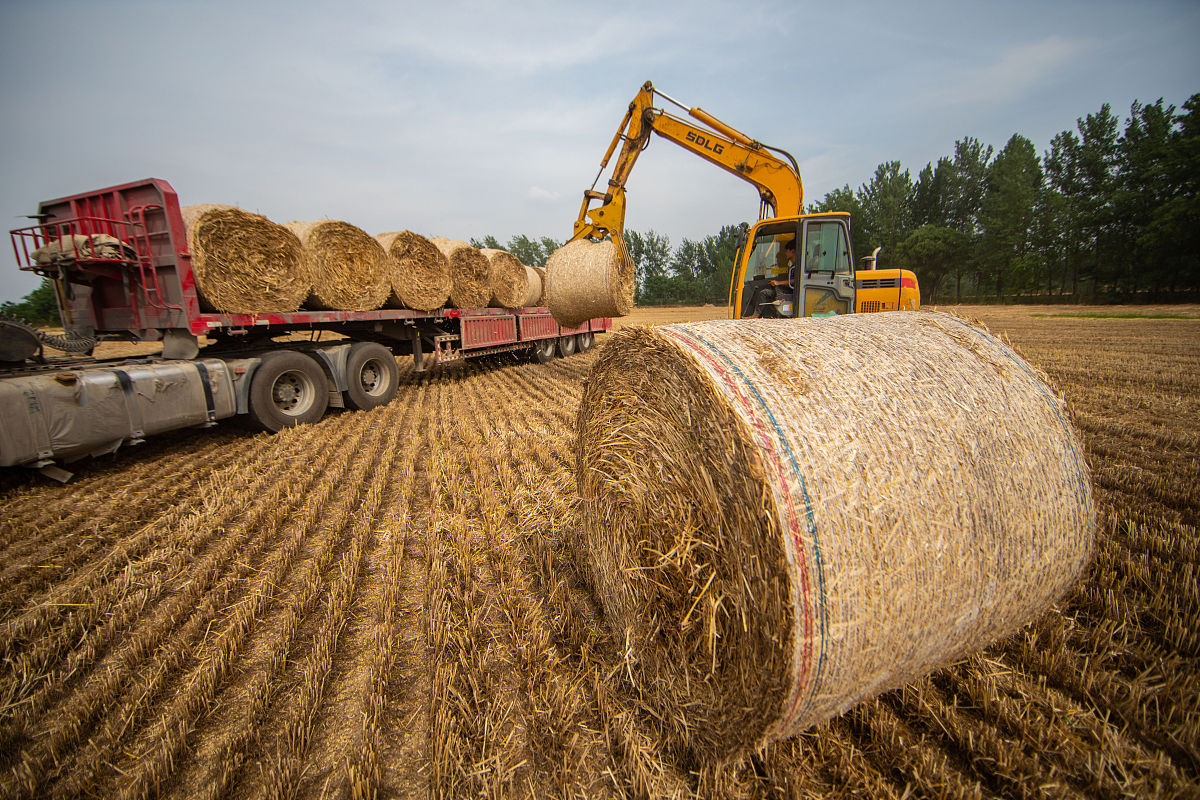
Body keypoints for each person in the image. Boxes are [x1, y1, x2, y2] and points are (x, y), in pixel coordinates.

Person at [744, 239, 795, 318]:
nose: (785, 253)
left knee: (764, 293)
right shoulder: (793, 266)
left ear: (793, 251)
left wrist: (778, 283)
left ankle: (755, 315)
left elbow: (795, 281)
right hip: (787, 290)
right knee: (765, 292)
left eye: (787, 251)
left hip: (790, 293)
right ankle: (759, 315)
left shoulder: (797, 267)